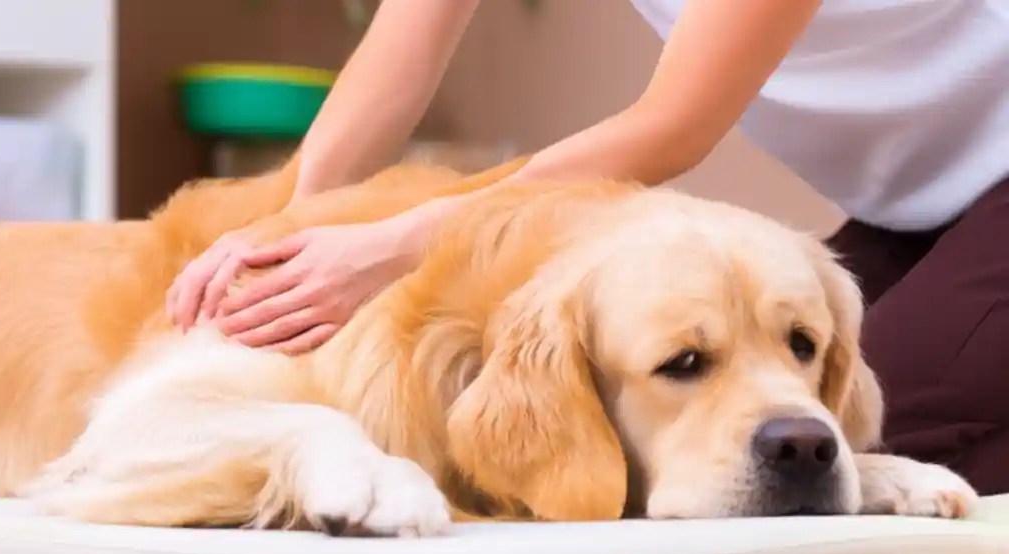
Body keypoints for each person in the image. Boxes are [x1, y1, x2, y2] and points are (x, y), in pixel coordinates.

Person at [166, 0, 1009, 495]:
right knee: (780, 404)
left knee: (890, 433)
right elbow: (398, 60)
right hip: (928, 200)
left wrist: (395, 243)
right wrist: (287, 226)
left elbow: (670, 127)